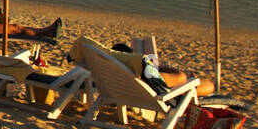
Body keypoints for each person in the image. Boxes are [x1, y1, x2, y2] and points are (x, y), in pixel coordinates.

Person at [70, 37, 216, 97]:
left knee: (184, 77)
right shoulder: (139, 67)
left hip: (135, 82)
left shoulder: (108, 66)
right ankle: (191, 79)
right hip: (152, 84)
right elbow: (175, 77)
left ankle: (189, 78)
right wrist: (159, 66)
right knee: (186, 78)